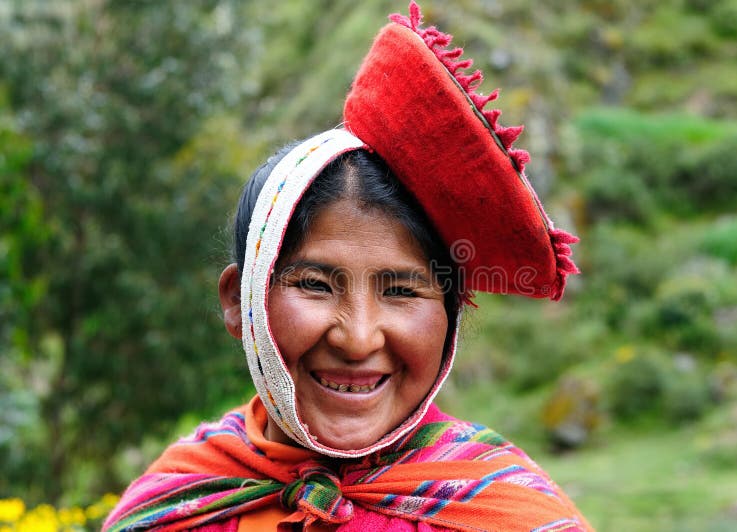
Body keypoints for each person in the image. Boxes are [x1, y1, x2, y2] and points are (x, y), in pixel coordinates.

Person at [104, 3, 591, 531]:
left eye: (403, 291)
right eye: (314, 284)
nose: (358, 339)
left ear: (450, 311)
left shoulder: (508, 512)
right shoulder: (176, 505)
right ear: (239, 302)